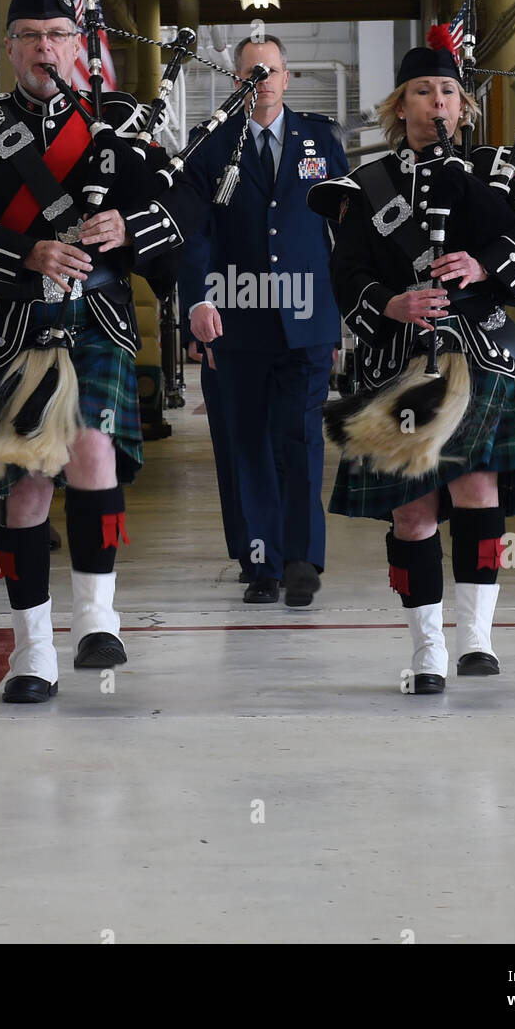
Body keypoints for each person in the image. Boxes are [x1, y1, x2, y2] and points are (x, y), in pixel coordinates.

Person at [0, 0, 178, 705]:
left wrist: (129, 227)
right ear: (9, 49)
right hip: (9, 322)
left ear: (78, 44)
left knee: (92, 445)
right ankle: (33, 650)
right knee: (28, 482)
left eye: (56, 35)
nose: (44, 48)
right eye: (29, 36)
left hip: (94, 315)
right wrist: (27, 253)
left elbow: (176, 198)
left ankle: (98, 617)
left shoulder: (118, 121)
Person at [308, 36, 515, 692]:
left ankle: (476, 637)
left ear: (464, 105)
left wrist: (483, 264)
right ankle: (427, 650)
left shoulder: (489, 175)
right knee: (412, 510)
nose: (436, 102)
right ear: (401, 107)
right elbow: (347, 272)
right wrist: (391, 303)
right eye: (423, 91)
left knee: (477, 490)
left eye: (448, 91)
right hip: (399, 363)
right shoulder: (368, 186)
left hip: (476, 353)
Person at [162, 34, 349, 606]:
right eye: (250, 71)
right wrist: (196, 303)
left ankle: (300, 560)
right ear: (236, 80)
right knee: (247, 444)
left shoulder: (321, 138)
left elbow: (341, 231)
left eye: (270, 70)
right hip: (235, 320)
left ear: (287, 78)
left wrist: (341, 316)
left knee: (299, 440)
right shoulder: (211, 145)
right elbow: (192, 233)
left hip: (306, 319)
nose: (261, 79)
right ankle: (260, 561)